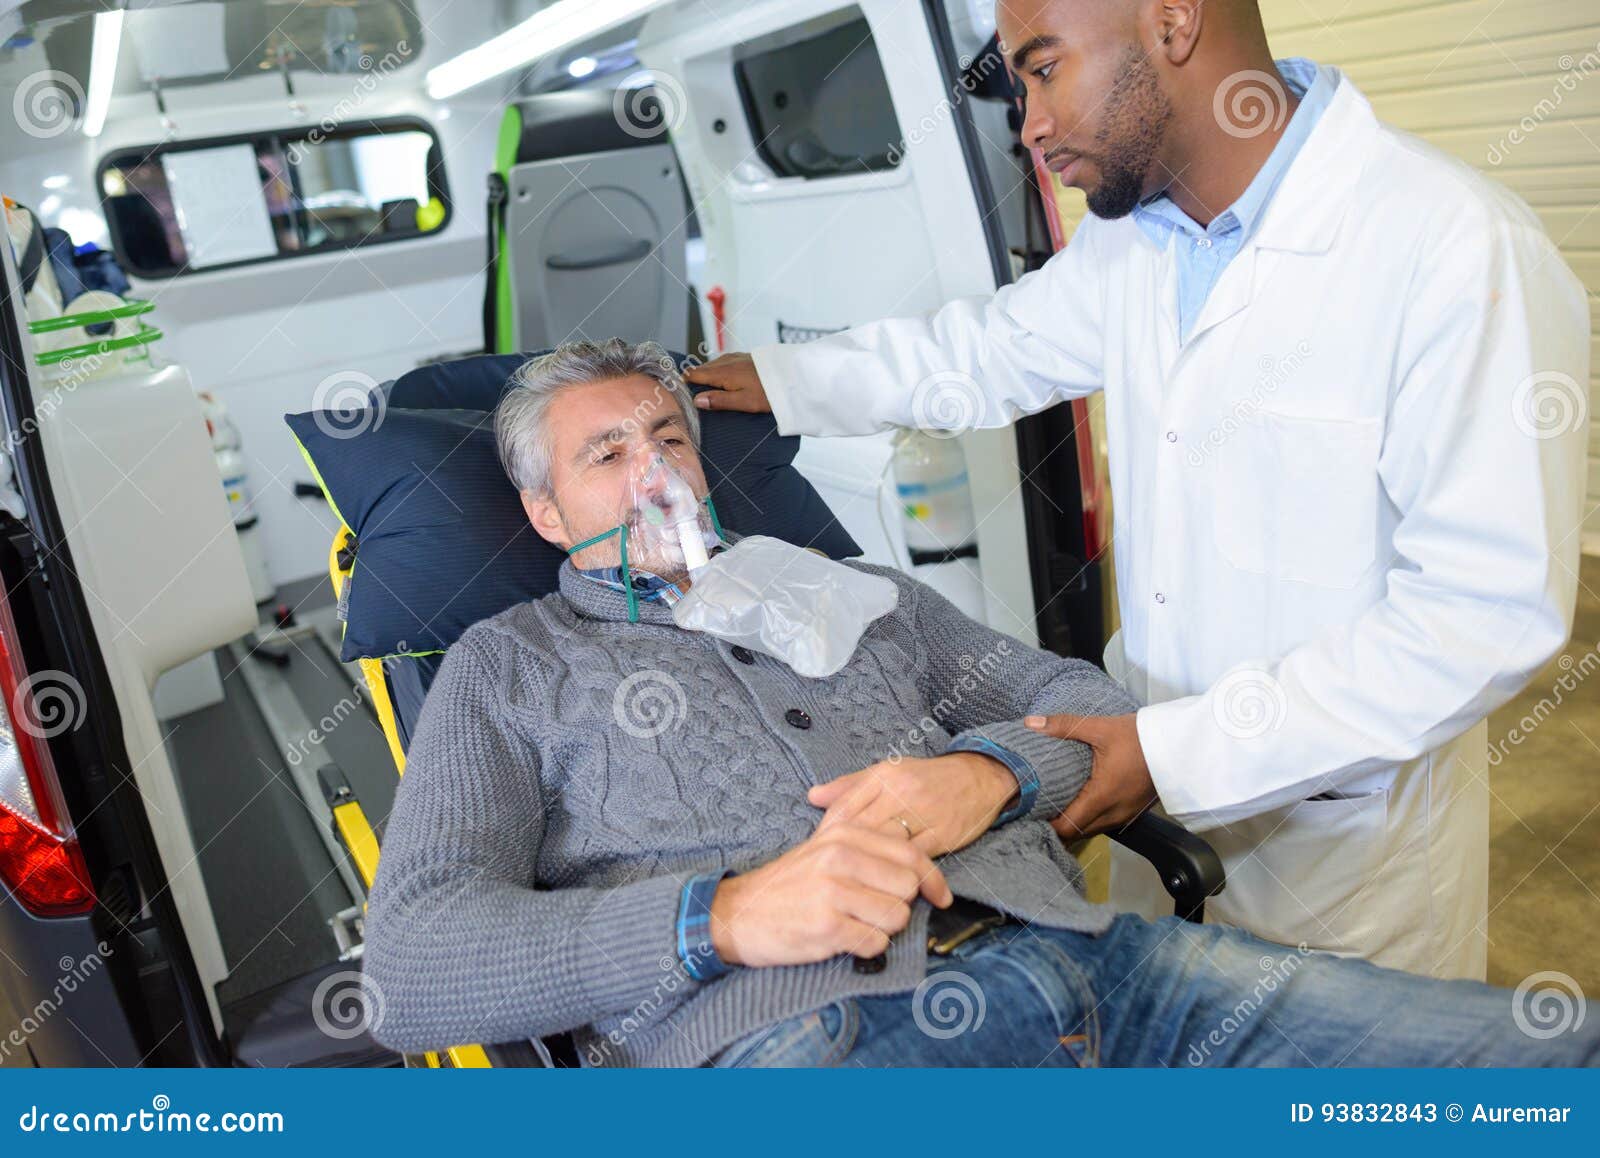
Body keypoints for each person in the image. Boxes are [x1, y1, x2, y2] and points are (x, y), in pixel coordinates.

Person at [360, 340, 1598, 1068]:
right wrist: (719, 918)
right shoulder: (507, 667)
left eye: (668, 438)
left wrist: (1000, 775)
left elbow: (1080, 703)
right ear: (541, 515)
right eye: (606, 455)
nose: (656, 472)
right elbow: (414, 966)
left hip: (1114, 980)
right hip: (815, 1046)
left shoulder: (854, 596)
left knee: (1548, 1059)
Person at [684, 0, 1592, 980]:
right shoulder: (1144, 239)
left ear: (1172, 20)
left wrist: (1171, 753)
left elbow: (1481, 615)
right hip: (1154, 788)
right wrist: (786, 381)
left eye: (1041, 69)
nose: (1028, 122)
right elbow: (990, 349)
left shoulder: (1454, 250)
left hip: (1339, 852)